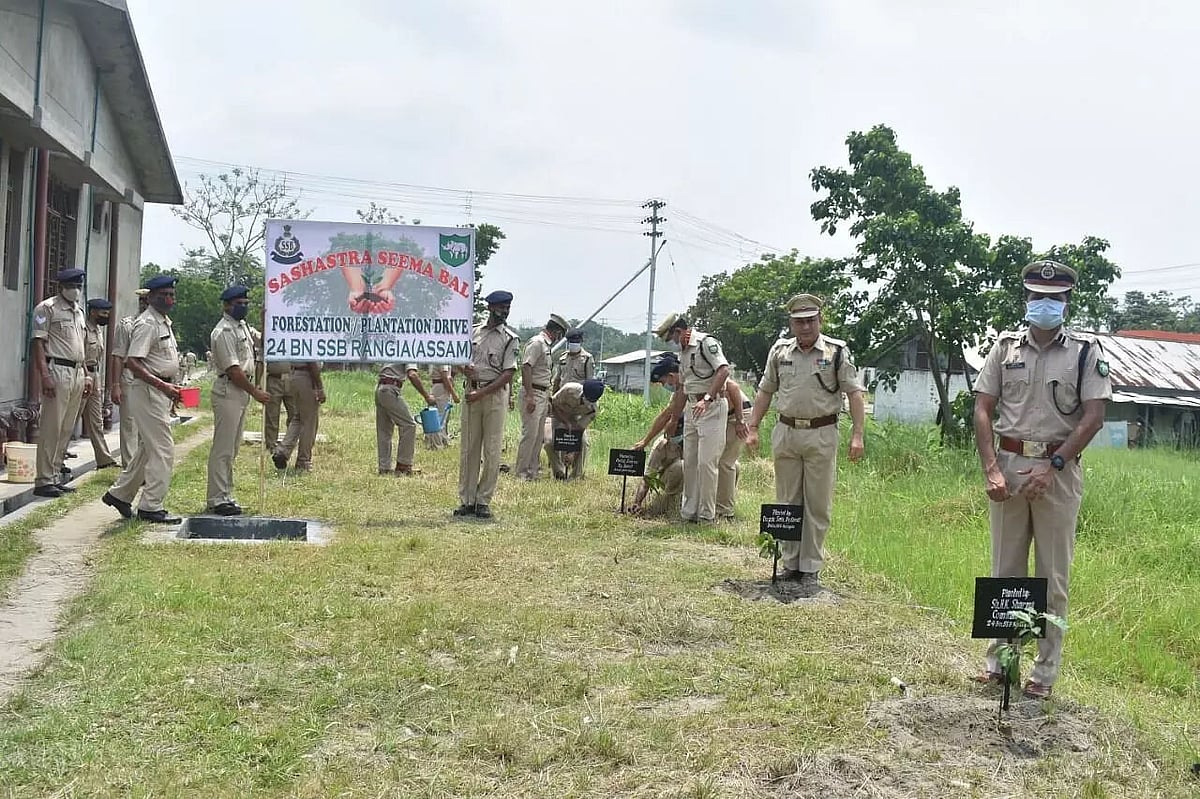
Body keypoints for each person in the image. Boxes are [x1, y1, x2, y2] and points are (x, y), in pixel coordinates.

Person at [972, 260, 1110, 700]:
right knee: (1005, 569)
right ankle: (999, 664)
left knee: (1052, 576)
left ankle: (1043, 674)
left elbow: (1094, 417)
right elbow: (982, 409)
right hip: (1009, 469)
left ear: (1066, 302)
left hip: (1058, 471)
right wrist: (992, 468)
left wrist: (1054, 467)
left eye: (1053, 298)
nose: (1043, 304)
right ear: (1026, 300)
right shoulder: (1004, 348)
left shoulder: (1086, 352)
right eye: (1036, 297)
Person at [746, 294, 865, 588]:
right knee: (787, 500)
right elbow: (765, 391)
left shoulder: (836, 351)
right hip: (786, 432)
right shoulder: (780, 351)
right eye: (799, 322)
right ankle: (790, 563)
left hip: (821, 433)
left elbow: (854, 393)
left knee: (817, 502)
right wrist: (753, 427)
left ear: (820, 320)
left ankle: (810, 567)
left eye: (811, 320)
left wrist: (858, 435)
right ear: (791, 323)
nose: (805, 327)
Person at [103, 274, 185, 523]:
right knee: (163, 449)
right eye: (163, 295)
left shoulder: (163, 322)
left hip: (160, 390)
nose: (169, 299)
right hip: (148, 390)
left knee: (148, 449)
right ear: (150, 297)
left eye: (172, 295)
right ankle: (151, 506)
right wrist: (162, 385)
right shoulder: (147, 323)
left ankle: (119, 494)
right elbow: (133, 362)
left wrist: (171, 387)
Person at [640, 354, 749, 520]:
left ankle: (724, 511)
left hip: (737, 414)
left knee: (722, 462)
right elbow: (666, 416)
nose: (665, 386)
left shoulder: (697, 376)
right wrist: (646, 441)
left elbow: (733, 388)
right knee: (705, 462)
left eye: (664, 382)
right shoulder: (684, 390)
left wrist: (741, 420)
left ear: (671, 376)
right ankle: (703, 507)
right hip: (718, 417)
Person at [650, 313, 730, 524]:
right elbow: (683, 388)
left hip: (712, 406)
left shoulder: (706, 343)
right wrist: (675, 418)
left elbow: (723, 370)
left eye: (672, 338)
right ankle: (689, 512)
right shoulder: (684, 354)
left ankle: (706, 515)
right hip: (692, 407)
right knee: (691, 462)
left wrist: (707, 398)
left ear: (679, 331)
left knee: (706, 463)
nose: (673, 343)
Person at [206, 286, 271, 515]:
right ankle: (216, 498)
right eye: (238, 303)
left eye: (245, 303)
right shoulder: (223, 331)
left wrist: (266, 319)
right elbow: (234, 370)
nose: (243, 307)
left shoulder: (241, 326)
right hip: (229, 390)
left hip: (241, 391)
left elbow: (263, 341)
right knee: (223, 448)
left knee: (232, 448)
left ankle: (225, 494)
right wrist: (256, 392)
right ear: (226, 305)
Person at [455, 290, 519, 518]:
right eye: (501, 307)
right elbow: (457, 358)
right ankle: (467, 500)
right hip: (471, 391)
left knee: (492, 450)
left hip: (493, 395)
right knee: (469, 449)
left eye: (508, 308)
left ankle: (483, 501)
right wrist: (465, 369)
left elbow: (508, 374)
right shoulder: (473, 332)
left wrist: (481, 393)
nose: (505, 311)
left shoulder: (510, 338)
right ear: (491, 308)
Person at [30, 268, 90, 497]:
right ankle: (43, 479)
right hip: (58, 370)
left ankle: (55, 475)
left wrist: (87, 375)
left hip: (77, 371)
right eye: (72, 286)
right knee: (51, 426)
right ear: (61, 287)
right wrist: (44, 375)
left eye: (79, 286)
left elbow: (81, 347)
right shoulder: (46, 309)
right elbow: (38, 343)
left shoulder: (79, 312)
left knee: (66, 427)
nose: (76, 290)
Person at [515, 313, 568, 480]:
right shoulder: (537, 343)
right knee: (530, 435)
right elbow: (526, 367)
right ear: (556, 331)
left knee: (538, 437)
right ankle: (521, 472)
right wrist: (530, 396)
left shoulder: (546, 346)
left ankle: (532, 471)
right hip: (534, 392)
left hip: (543, 393)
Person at [110, 288, 149, 467]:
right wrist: (115, 384)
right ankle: (130, 468)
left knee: (148, 425)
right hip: (130, 376)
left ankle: (144, 467)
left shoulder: (158, 325)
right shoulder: (127, 325)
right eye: (143, 301)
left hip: (151, 377)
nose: (145, 305)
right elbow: (118, 356)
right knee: (130, 424)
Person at [80, 297, 119, 470]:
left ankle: (104, 459)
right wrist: (86, 376)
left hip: (95, 376)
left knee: (96, 420)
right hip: (82, 375)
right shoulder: (83, 329)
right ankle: (58, 461)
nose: (106, 316)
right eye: (103, 313)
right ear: (93, 312)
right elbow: (80, 355)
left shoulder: (98, 330)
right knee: (69, 420)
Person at [375, 363, 433, 475]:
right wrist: (427, 396)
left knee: (384, 430)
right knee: (409, 425)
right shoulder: (408, 349)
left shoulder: (394, 346)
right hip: (391, 389)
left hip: (380, 387)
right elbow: (412, 375)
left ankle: (384, 467)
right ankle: (403, 466)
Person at [544, 378, 605, 479]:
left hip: (575, 421)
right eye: (587, 397)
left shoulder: (593, 409)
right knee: (549, 442)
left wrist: (572, 452)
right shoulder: (569, 389)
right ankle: (559, 472)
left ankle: (576, 476)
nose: (587, 401)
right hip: (557, 416)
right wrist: (565, 422)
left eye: (591, 400)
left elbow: (579, 429)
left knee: (584, 443)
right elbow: (553, 405)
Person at [273, 362, 325, 471]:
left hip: (294, 374)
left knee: (298, 417)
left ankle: (282, 451)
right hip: (306, 376)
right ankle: (303, 461)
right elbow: (312, 363)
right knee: (309, 421)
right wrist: (319, 387)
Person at [630, 416, 685, 518]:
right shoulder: (661, 446)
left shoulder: (692, 440)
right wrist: (637, 503)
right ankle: (669, 503)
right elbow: (648, 478)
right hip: (669, 477)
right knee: (681, 466)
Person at [263, 360, 297, 452]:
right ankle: (271, 445)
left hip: (293, 378)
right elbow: (260, 360)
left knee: (295, 414)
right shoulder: (269, 344)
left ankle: (290, 444)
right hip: (274, 378)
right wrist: (258, 383)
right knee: (272, 415)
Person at [425, 364, 459, 449]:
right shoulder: (443, 358)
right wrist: (454, 394)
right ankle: (437, 444)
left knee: (439, 416)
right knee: (440, 417)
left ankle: (442, 440)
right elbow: (445, 377)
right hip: (441, 387)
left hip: (437, 386)